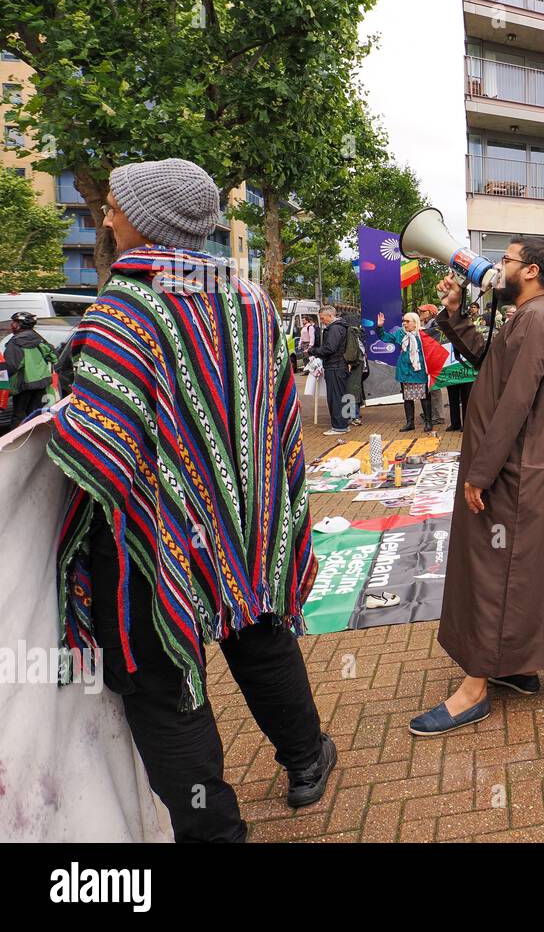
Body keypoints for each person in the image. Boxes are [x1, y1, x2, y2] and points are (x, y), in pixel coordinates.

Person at [47, 158, 334, 842]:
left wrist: (62, 410)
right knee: (260, 634)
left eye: (114, 205)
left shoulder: (126, 308)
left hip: (153, 538)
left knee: (162, 682)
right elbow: (274, 413)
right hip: (244, 523)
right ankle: (304, 761)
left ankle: (214, 832)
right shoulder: (250, 301)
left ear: (145, 221)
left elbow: (98, 450)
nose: (106, 216)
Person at [409, 238, 544, 735]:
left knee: (493, 571)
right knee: (515, 570)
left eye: (506, 259)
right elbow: (490, 362)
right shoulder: (531, 317)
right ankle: (517, 666)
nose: (496, 266)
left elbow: (513, 404)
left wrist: (481, 472)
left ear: (528, 271)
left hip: (513, 473)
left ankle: (474, 688)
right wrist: (455, 312)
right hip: (516, 468)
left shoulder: (537, 318)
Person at [375, 310, 436, 433]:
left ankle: (428, 422)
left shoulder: (423, 334)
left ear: (415, 323)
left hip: (419, 370)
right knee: (407, 397)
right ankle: (410, 423)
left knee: (424, 397)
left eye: (407, 321)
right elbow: (385, 337)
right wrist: (380, 327)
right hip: (405, 370)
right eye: (403, 321)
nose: (405, 323)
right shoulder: (400, 333)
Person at [2, 311, 57, 433]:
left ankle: (15, 441)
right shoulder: (37, 338)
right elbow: (53, 356)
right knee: (35, 414)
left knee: (19, 414)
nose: (12, 325)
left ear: (20, 325)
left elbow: (11, 367)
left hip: (25, 384)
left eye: (14, 322)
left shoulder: (15, 342)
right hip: (42, 382)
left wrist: (2, 383)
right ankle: (35, 438)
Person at [308, 304, 350, 435]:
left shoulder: (334, 329)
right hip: (338, 366)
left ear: (330, 316)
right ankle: (342, 424)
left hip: (335, 366)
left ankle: (339, 427)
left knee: (335, 397)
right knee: (339, 396)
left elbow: (330, 348)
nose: (321, 321)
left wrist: (313, 351)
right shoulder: (340, 327)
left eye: (322, 318)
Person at [416, 303, 447, 426]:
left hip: (433, 358)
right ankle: (431, 413)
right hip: (428, 358)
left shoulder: (435, 323)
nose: (421, 314)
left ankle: (438, 416)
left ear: (431, 312)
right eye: (421, 312)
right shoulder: (427, 324)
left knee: (434, 388)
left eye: (424, 312)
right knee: (430, 388)